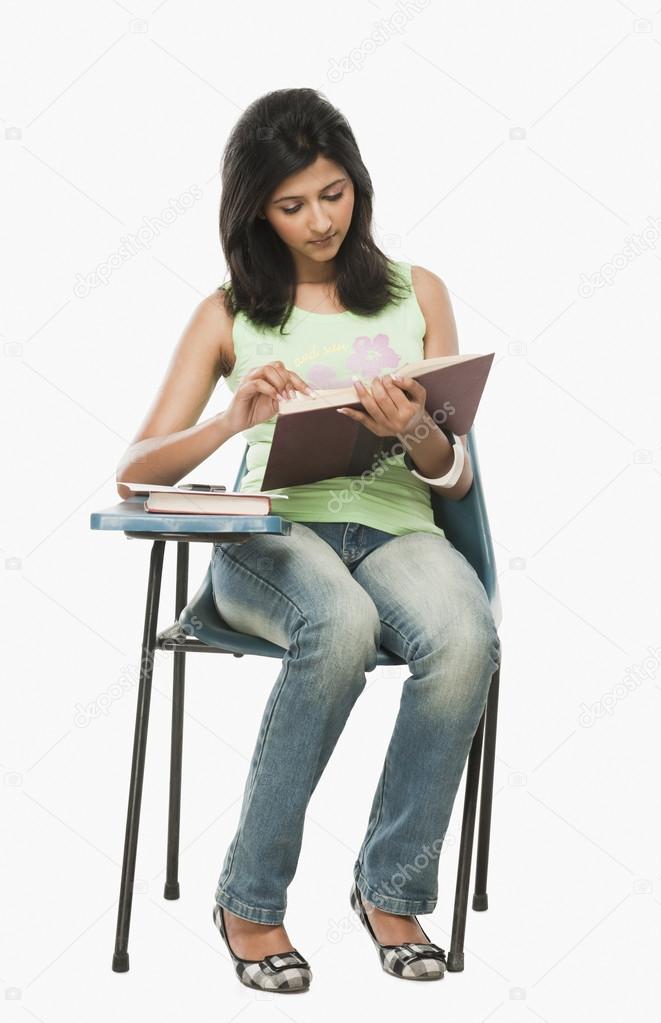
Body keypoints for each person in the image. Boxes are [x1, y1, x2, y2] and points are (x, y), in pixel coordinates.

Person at [117, 87, 501, 991]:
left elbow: (457, 477)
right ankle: (249, 901)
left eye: (334, 193)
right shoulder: (229, 312)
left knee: (465, 634)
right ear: (256, 210)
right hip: (274, 535)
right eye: (292, 205)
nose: (320, 220)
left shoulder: (420, 292)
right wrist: (229, 420)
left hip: (398, 527)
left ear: (357, 185)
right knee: (338, 623)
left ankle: (391, 887)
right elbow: (135, 472)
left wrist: (415, 432)